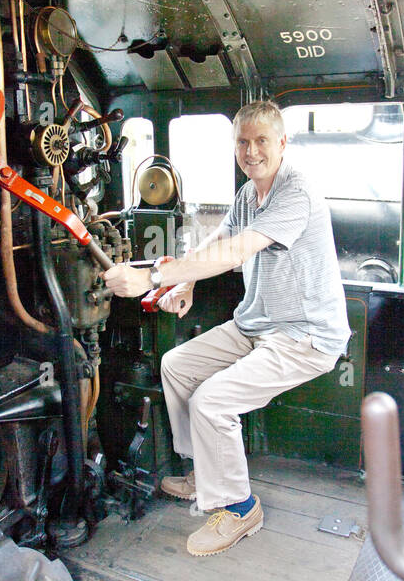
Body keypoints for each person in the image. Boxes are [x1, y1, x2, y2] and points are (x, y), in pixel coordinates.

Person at [103, 100, 350, 557]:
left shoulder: (296, 191)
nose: (251, 151)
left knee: (213, 400)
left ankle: (240, 508)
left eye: (261, 141)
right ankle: (206, 476)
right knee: (177, 365)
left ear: (281, 143)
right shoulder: (246, 194)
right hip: (256, 325)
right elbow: (220, 240)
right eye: (242, 142)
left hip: (304, 336)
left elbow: (239, 251)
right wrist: (188, 280)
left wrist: (154, 277)